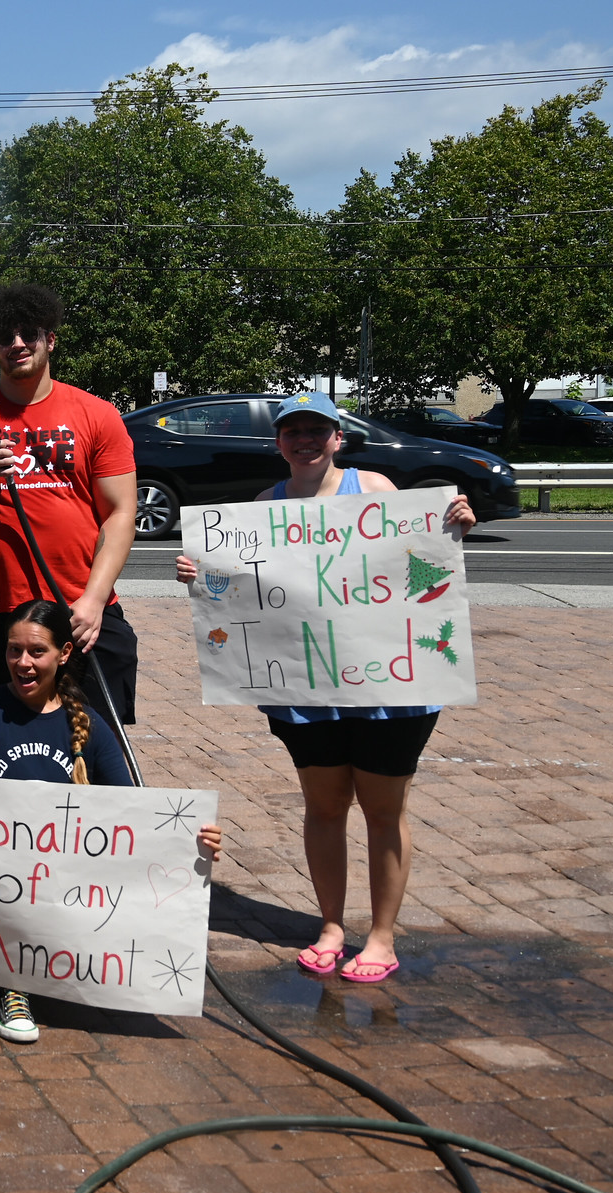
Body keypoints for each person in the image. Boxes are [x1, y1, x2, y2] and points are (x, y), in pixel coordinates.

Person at [175, 391, 473, 985]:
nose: (305, 440)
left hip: (391, 691)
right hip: (306, 691)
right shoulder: (264, 505)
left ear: (339, 438)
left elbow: (424, 565)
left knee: (385, 811)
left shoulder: (377, 491)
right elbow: (240, 596)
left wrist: (455, 526)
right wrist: (201, 574)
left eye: (318, 430)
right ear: (279, 441)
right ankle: (332, 925)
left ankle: (382, 937)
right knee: (325, 807)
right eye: (294, 431)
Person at [0, 600, 223, 1042]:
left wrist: (190, 843)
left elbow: (133, 817)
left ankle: (60, 964)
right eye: (14, 651)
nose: (23, 663)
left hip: (69, 885)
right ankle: (12, 983)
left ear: (64, 654)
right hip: (4, 883)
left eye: (36, 652)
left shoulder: (88, 723)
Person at [0, 283, 140, 726]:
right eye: (4, 336)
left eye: (28, 333)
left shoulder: (96, 413)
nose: (17, 343)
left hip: (78, 608)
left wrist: (92, 600)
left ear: (49, 339)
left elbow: (121, 512)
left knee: (91, 739)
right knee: (14, 741)